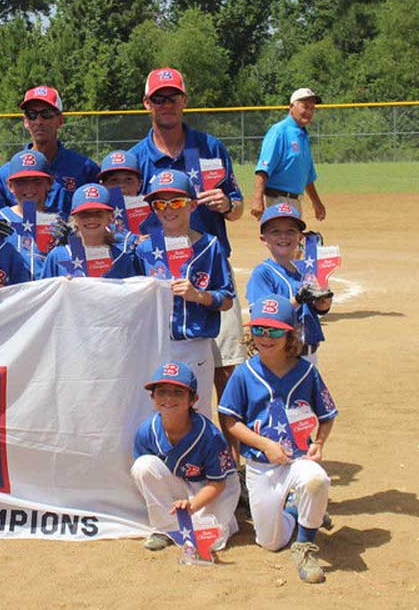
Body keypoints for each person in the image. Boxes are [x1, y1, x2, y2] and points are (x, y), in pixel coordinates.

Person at [129, 68, 246, 413]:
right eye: (158, 98)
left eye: (173, 97)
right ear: (146, 103)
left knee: (226, 369)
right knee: (163, 370)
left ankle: (230, 460)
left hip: (211, 270)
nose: (166, 104)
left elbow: (237, 206)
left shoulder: (210, 148)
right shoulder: (136, 159)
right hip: (161, 278)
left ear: (184, 101)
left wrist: (227, 204)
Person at [218, 295, 338, 584]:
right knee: (270, 542)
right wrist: (266, 445)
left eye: (274, 330)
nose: (265, 337)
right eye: (259, 330)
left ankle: (305, 545)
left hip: (297, 459)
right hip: (262, 465)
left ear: (290, 334)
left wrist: (318, 444)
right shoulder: (244, 374)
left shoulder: (307, 372)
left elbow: (328, 413)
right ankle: (298, 511)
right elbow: (230, 421)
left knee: (316, 480)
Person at [135, 170, 234, 418]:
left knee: (197, 411)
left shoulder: (210, 246)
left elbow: (227, 298)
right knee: (153, 411)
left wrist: (199, 296)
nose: (168, 210)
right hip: (154, 344)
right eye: (160, 203)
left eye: (177, 202)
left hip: (194, 344)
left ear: (192, 205)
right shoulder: (145, 249)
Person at [131, 361, 240, 552]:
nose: (169, 398)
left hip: (214, 487)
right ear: (153, 397)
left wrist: (192, 504)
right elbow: (150, 479)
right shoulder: (146, 431)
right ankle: (164, 529)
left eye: (178, 392)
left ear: (193, 399)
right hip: (182, 481)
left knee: (210, 543)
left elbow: (217, 483)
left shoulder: (209, 436)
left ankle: (226, 521)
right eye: (162, 391)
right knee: (143, 465)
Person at [0, 85, 100, 216]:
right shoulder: (5, 174)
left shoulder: (85, 168)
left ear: (60, 120)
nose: (39, 121)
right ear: (25, 121)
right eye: (32, 115)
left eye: (46, 114)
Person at [246, 203, 332, 363]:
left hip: (310, 352)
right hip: (282, 356)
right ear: (264, 239)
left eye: (290, 231)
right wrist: (298, 299)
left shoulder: (306, 270)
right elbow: (264, 317)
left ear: (300, 237)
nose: (283, 236)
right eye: (275, 231)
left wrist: (324, 298)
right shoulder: (263, 273)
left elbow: (321, 308)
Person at [251, 88, 327, 222]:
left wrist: (317, 203)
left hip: (295, 201)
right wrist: (257, 200)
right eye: (305, 107)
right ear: (292, 106)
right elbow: (263, 168)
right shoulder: (279, 131)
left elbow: (307, 176)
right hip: (277, 200)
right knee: (283, 241)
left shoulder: (302, 135)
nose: (309, 112)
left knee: (292, 241)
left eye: (312, 108)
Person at [41, 183, 142, 279]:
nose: (91, 218)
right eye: (84, 213)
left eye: (98, 213)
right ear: (74, 219)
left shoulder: (121, 258)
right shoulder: (58, 256)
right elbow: (45, 294)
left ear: (110, 217)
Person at [0, 149, 64, 275]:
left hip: (50, 293)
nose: (29, 188)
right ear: (9, 186)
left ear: (49, 183)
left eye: (37, 181)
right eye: (21, 182)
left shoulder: (61, 222)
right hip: (11, 293)